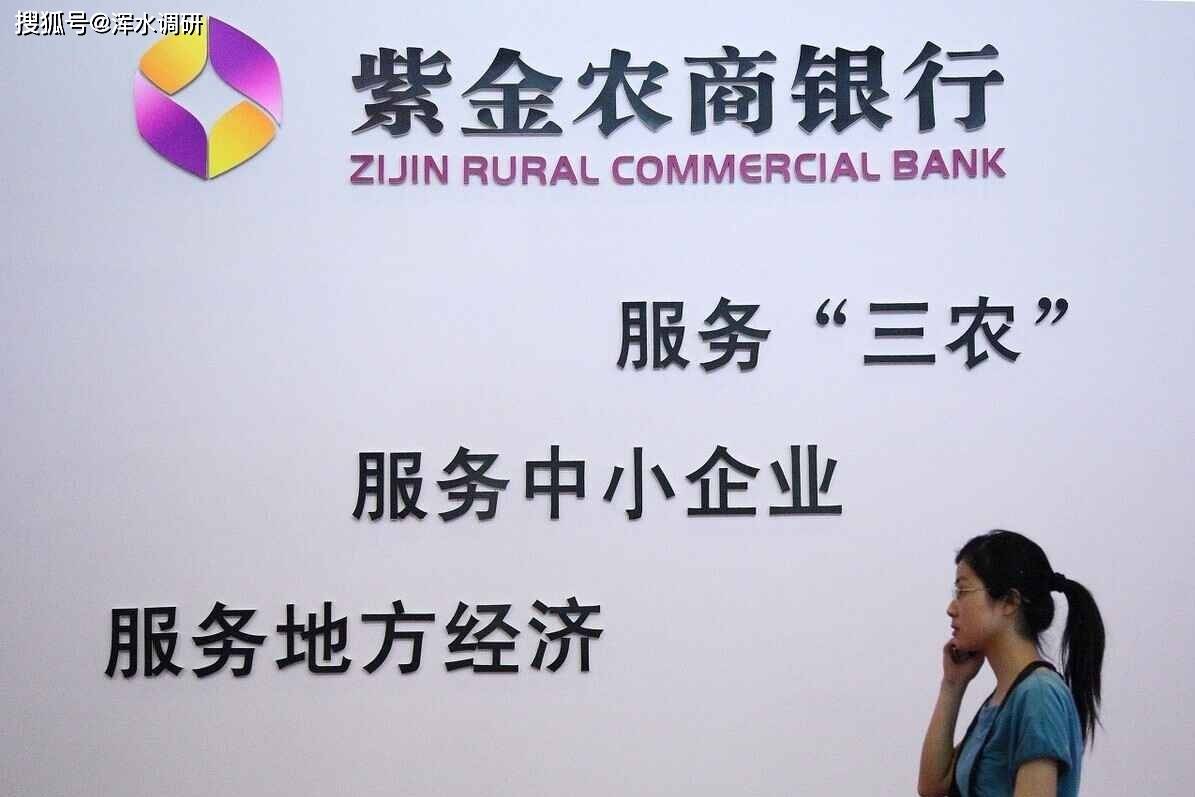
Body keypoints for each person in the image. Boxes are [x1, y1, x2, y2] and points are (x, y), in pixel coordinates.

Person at [917, 530, 1106, 797]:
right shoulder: (1006, 697)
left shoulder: (1039, 695)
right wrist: (952, 684)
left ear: (1009, 602)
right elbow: (932, 785)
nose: (951, 607)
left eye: (962, 591)